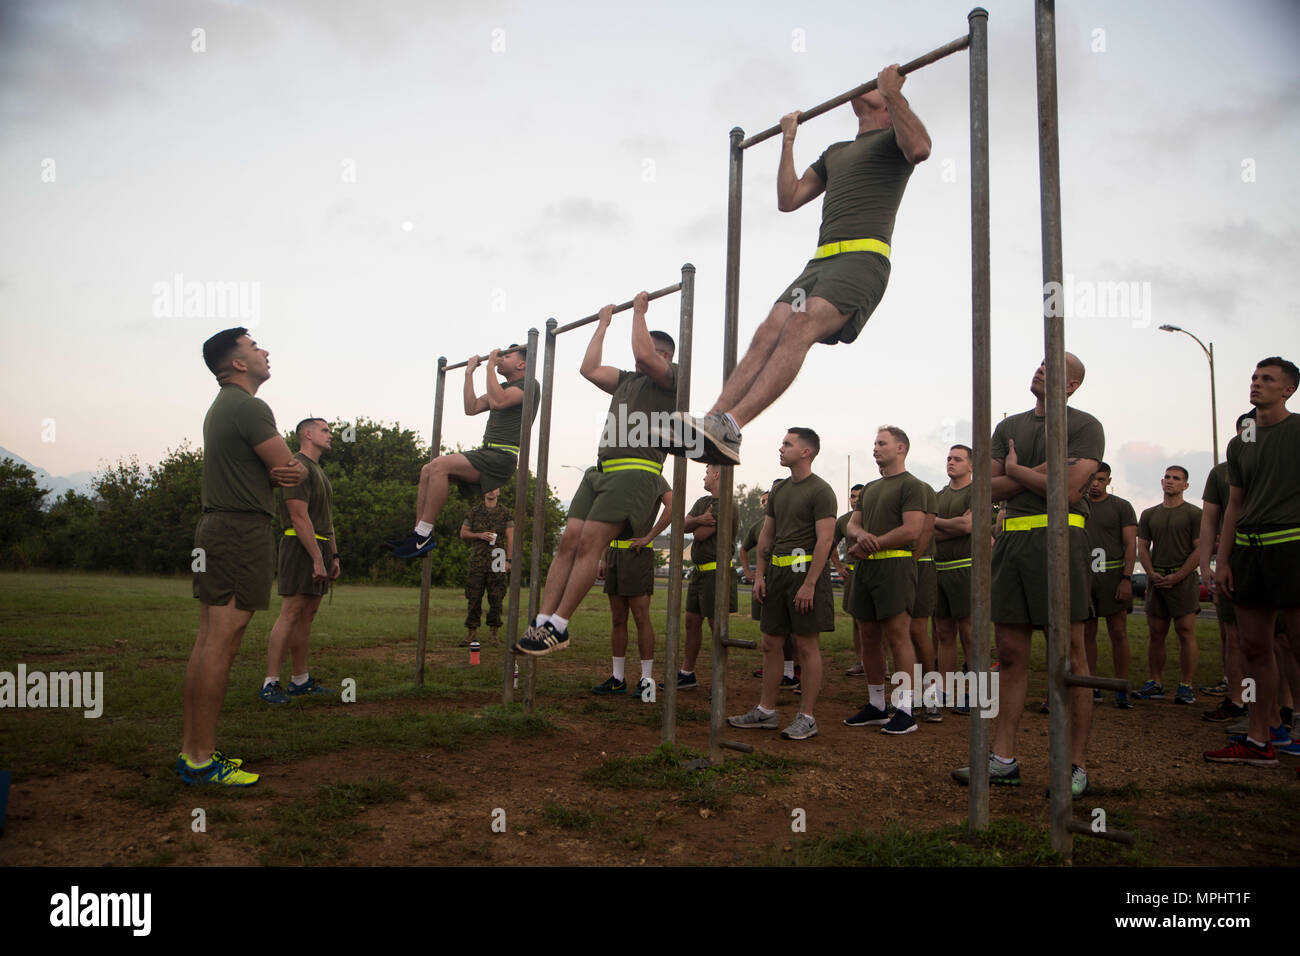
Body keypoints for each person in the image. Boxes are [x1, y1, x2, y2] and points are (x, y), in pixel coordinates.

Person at [659, 66, 931, 465]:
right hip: (820, 260)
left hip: (862, 258)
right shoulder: (837, 152)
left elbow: (921, 148)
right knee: (769, 329)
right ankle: (715, 419)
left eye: (877, 90)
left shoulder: (896, 137)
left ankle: (733, 426)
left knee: (800, 327)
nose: (867, 86)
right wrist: (788, 141)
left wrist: (895, 94)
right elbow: (788, 198)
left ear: (889, 107)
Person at [951, 355, 1103, 798]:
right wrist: (1038, 474)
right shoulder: (1008, 427)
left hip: (1060, 541)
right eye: (1039, 363)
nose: (1041, 369)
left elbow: (1069, 488)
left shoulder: (1085, 424)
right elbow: (986, 488)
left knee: (1071, 655)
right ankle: (1003, 760)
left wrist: (1014, 470)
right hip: (1013, 544)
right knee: (1012, 653)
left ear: (1072, 384)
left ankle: (1075, 765)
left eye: (1054, 367)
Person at [515, 293, 677, 655]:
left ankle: (560, 625)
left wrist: (638, 313)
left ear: (665, 355)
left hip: (636, 471)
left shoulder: (670, 379)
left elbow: (644, 354)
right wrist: (603, 325)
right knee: (568, 540)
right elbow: (589, 369)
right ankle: (542, 621)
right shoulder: (626, 381)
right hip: (601, 470)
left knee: (590, 542)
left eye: (651, 349)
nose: (639, 352)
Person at [179, 328, 307, 786]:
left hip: (217, 528)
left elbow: (276, 470)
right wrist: (284, 470)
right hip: (238, 532)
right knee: (222, 643)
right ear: (236, 363)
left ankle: (193, 753)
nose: (265, 351)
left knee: (208, 640)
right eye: (255, 348)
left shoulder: (221, 409)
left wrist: (279, 470)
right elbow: (289, 470)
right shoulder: (250, 407)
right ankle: (200, 761)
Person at [1205, 357, 1300, 769]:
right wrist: (1222, 561)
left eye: (1267, 379)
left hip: (1291, 547)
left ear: (1288, 390)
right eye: (1254, 377)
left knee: (1296, 645)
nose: (1256, 384)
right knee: (1254, 647)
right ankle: (1259, 739)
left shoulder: (1297, 430)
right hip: (1247, 551)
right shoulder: (1240, 439)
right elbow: (1233, 507)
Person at [728, 428, 837, 739]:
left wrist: (810, 583)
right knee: (770, 643)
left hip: (804, 575)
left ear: (806, 452)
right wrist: (760, 576)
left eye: (787, 444)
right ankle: (766, 711)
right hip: (776, 576)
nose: (781, 448)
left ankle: (807, 717)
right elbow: (766, 536)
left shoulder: (821, 491)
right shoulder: (779, 491)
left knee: (805, 645)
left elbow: (825, 540)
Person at [389, 345, 536, 558]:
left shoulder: (529, 385)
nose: (502, 358)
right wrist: (469, 374)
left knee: (439, 465)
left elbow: (498, 402)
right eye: (501, 356)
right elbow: (472, 407)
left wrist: (490, 367)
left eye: (508, 356)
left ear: (522, 364)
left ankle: (423, 536)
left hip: (502, 457)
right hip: (488, 453)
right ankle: (418, 535)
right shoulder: (502, 386)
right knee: (428, 470)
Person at [841, 427, 927, 735]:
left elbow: (912, 530)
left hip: (895, 565)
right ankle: (876, 706)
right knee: (868, 636)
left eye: (882, 443)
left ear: (901, 447)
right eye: (875, 443)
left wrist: (871, 541)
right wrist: (860, 535)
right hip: (866, 569)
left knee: (898, 635)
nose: (875, 448)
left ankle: (905, 709)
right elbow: (853, 523)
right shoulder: (871, 488)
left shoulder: (912, 485)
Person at [260, 418, 339, 704]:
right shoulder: (297, 466)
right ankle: (270, 683)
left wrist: (333, 554)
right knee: (291, 612)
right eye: (325, 430)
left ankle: (300, 680)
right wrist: (316, 559)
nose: (330, 435)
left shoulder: (319, 471)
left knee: (308, 615)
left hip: (320, 546)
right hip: (299, 545)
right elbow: (298, 516)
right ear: (307, 434)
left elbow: (325, 520)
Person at [1198, 413, 1255, 724]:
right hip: (1232, 562)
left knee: (1278, 640)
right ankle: (1238, 700)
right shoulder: (1221, 473)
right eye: (1243, 430)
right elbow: (1210, 520)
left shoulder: (1276, 462)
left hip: (1271, 557)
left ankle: (1282, 709)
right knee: (1233, 637)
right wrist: (1208, 563)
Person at [592, 480, 672, 696]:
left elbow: (673, 506)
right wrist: (603, 558)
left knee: (640, 617)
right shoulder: (619, 474)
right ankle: (617, 679)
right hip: (614, 555)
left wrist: (649, 537)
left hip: (638, 555)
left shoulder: (654, 477)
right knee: (618, 619)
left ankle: (647, 681)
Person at [1134, 467, 1203, 704]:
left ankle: (1186, 686)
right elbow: (1142, 546)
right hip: (1156, 580)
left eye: (1176, 478)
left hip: (1182, 581)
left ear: (1185, 485)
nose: (1170, 481)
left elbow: (1199, 548)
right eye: (1167, 477)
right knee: (1156, 633)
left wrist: (1179, 575)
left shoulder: (1194, 513)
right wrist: (1151, 573)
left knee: (1185, 631)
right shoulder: (1149, 514)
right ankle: (1155, 682)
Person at [676, 465, 740, 690]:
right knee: (691, 621)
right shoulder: (703, 501)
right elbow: (682, 524)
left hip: (717, 572)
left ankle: (719, 678)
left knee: (716, 627)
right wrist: (699, 519)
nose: (703, 476)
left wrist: (697, 522)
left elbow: (699, 533)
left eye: (706, 472)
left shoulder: (727, 504)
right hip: (699, 572)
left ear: (717, 475)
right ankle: (687, 673)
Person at [1081, 463, 1136, 709]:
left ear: (1108, 480)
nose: (1096, 484)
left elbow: (1131, 544)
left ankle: (1121, 685)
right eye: (1092, 479)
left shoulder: (1121, 506)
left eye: (1101, 480)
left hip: (1113, 574)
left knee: (1118, 631)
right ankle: (1091, 684)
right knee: (1087, 632)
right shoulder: (1077, 503)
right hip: (1084, 575)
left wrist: (1126, 578)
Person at [933, 445, 974, 713]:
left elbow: (969, 526)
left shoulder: (977, 492)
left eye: (957, 459)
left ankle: (976, 693)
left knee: (971, 635)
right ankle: (943, 691)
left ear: (971, 465)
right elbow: (926, 533)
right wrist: (954, 526)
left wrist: (938, 522)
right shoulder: (937, 495)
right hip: (939, 569)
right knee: (943, 633)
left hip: (967, 568)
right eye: (948, 458)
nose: (951, 462)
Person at [459, 489, 513, 647]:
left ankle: (494, 634)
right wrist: (479, 535)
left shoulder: (505, 513)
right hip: (478, 559)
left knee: (496, 598)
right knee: (474, 597)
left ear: (499, 492)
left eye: (495, 488)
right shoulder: (475, 511)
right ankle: (471, 633)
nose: (491, 491)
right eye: (489, 488)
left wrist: (509, 560)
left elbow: (511, 536)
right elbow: (463, 533)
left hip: (498, 557)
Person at [909, 480, 940, 721]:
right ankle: (906, 697)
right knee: (898, 633)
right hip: (892, 566)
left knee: (918, 631)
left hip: (919, 565)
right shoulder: (876, 489)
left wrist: (911, 561)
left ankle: (931, 696)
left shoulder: (922, 489)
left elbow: (927, 529)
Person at [832, 485, 867, 676]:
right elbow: (831, 544)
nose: (855, 500)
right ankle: (860, 661)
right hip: (853, 574)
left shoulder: (873, 516)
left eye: (859, 497)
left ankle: (882, 663)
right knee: (856, 619)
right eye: (852, 496)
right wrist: (838, 566)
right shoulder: (844, 521)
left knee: (879, 621)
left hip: (874, 570)